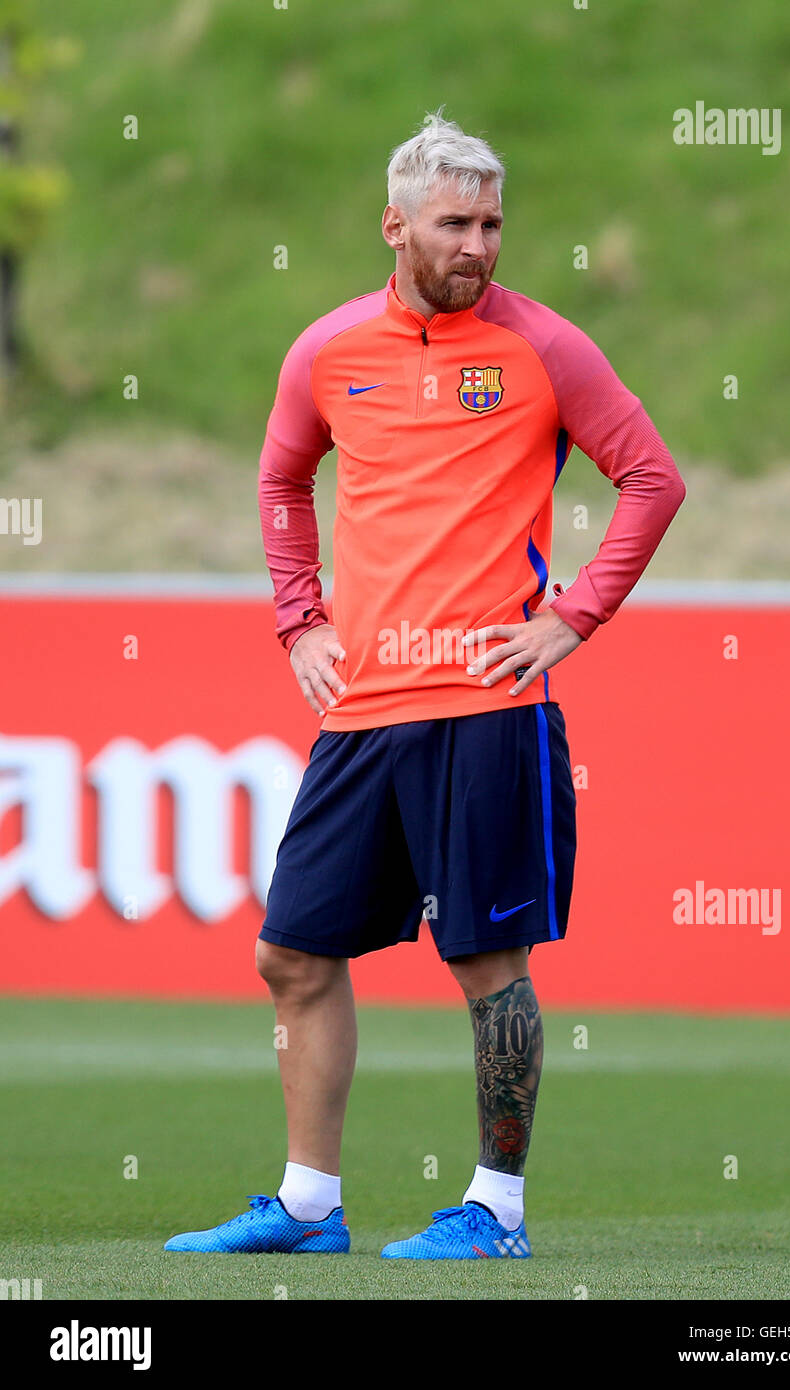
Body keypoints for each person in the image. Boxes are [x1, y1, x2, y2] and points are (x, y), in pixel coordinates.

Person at [164, 108, 685, 1260]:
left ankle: (493, 1211)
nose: (479, 244)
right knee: (290, 954)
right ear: (393, 225)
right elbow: (280, 478)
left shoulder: (547, 347)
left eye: (493, 222)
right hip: (363, 711)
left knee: (485, 963)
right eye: (455, 222)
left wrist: (571, 617)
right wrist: (299, 619)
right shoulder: (327, 349)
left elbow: (650, 478)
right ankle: (307, 1205)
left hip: (492, 707)